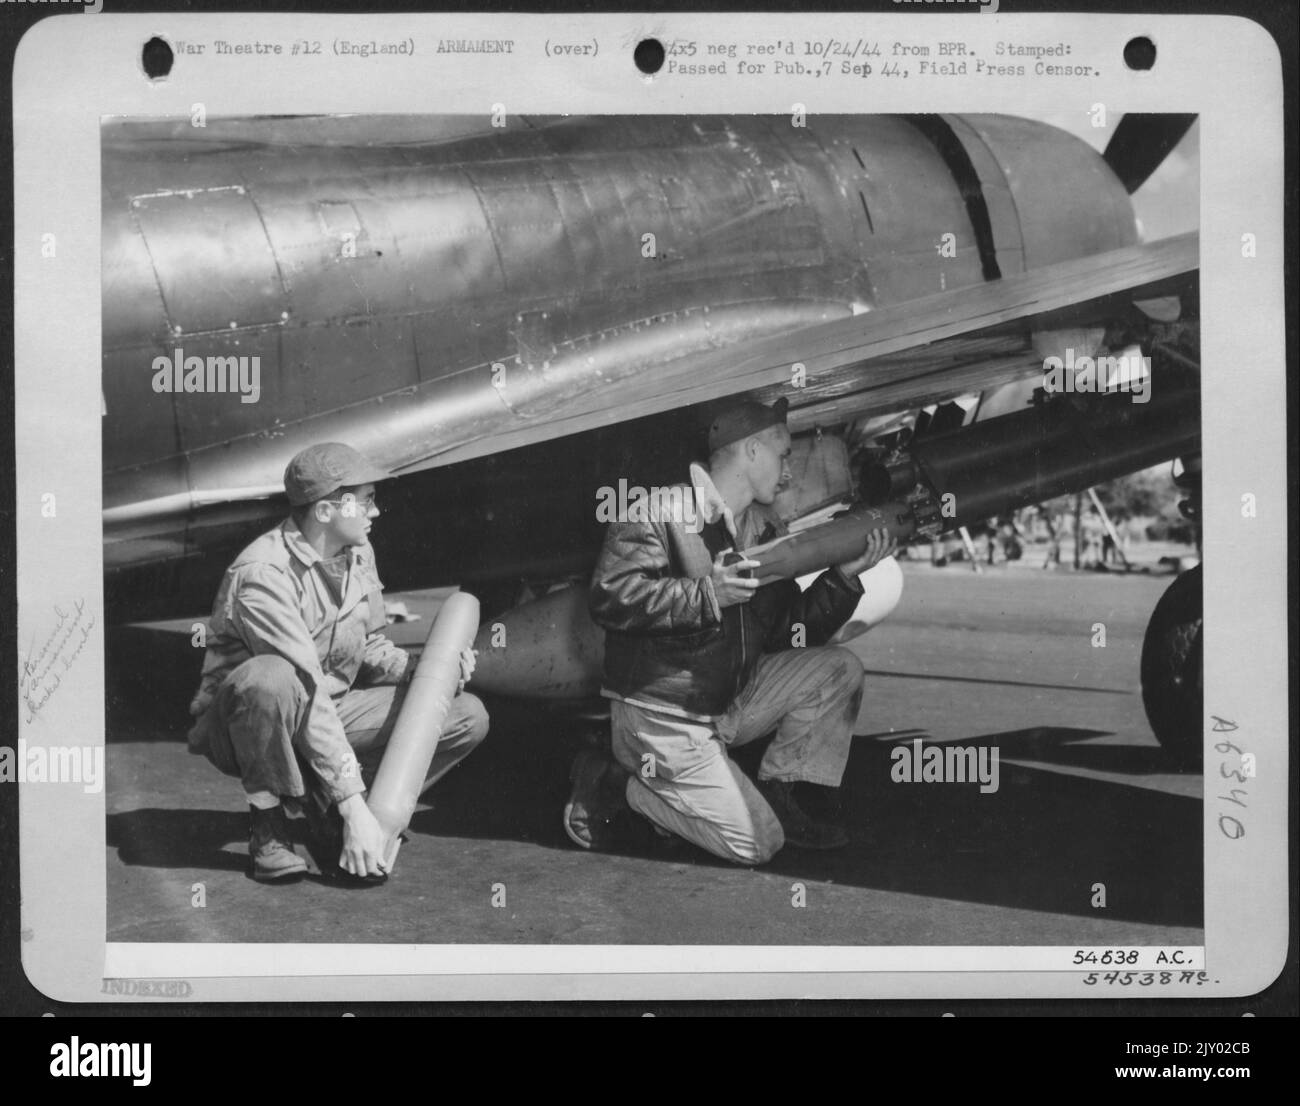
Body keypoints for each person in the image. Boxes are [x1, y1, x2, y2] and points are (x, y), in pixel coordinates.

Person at [572, 398, 897, 865]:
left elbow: (788, 631)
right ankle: (617, 784)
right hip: (665, 714)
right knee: (757, 844)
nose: (788, 471)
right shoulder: (659, 510)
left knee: (838, 669)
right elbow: (609, 597)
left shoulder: (763, 527)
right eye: (782, 454)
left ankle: (779, 790)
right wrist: (708, 595)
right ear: (750, 451)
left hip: (727, 702)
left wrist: (843, 577)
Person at [187, 442, 488, 883]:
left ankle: (322, 801)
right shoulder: (263, 575)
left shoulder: (358, 554)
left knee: (465, 715)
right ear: (326, 511)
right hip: (251, 721)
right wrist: (353, 802)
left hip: (328, 709)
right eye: (365, 499)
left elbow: (369, 648)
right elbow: (304, 684)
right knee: (270, 679)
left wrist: (432, 672)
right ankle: (270, 826)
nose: (376, 511)